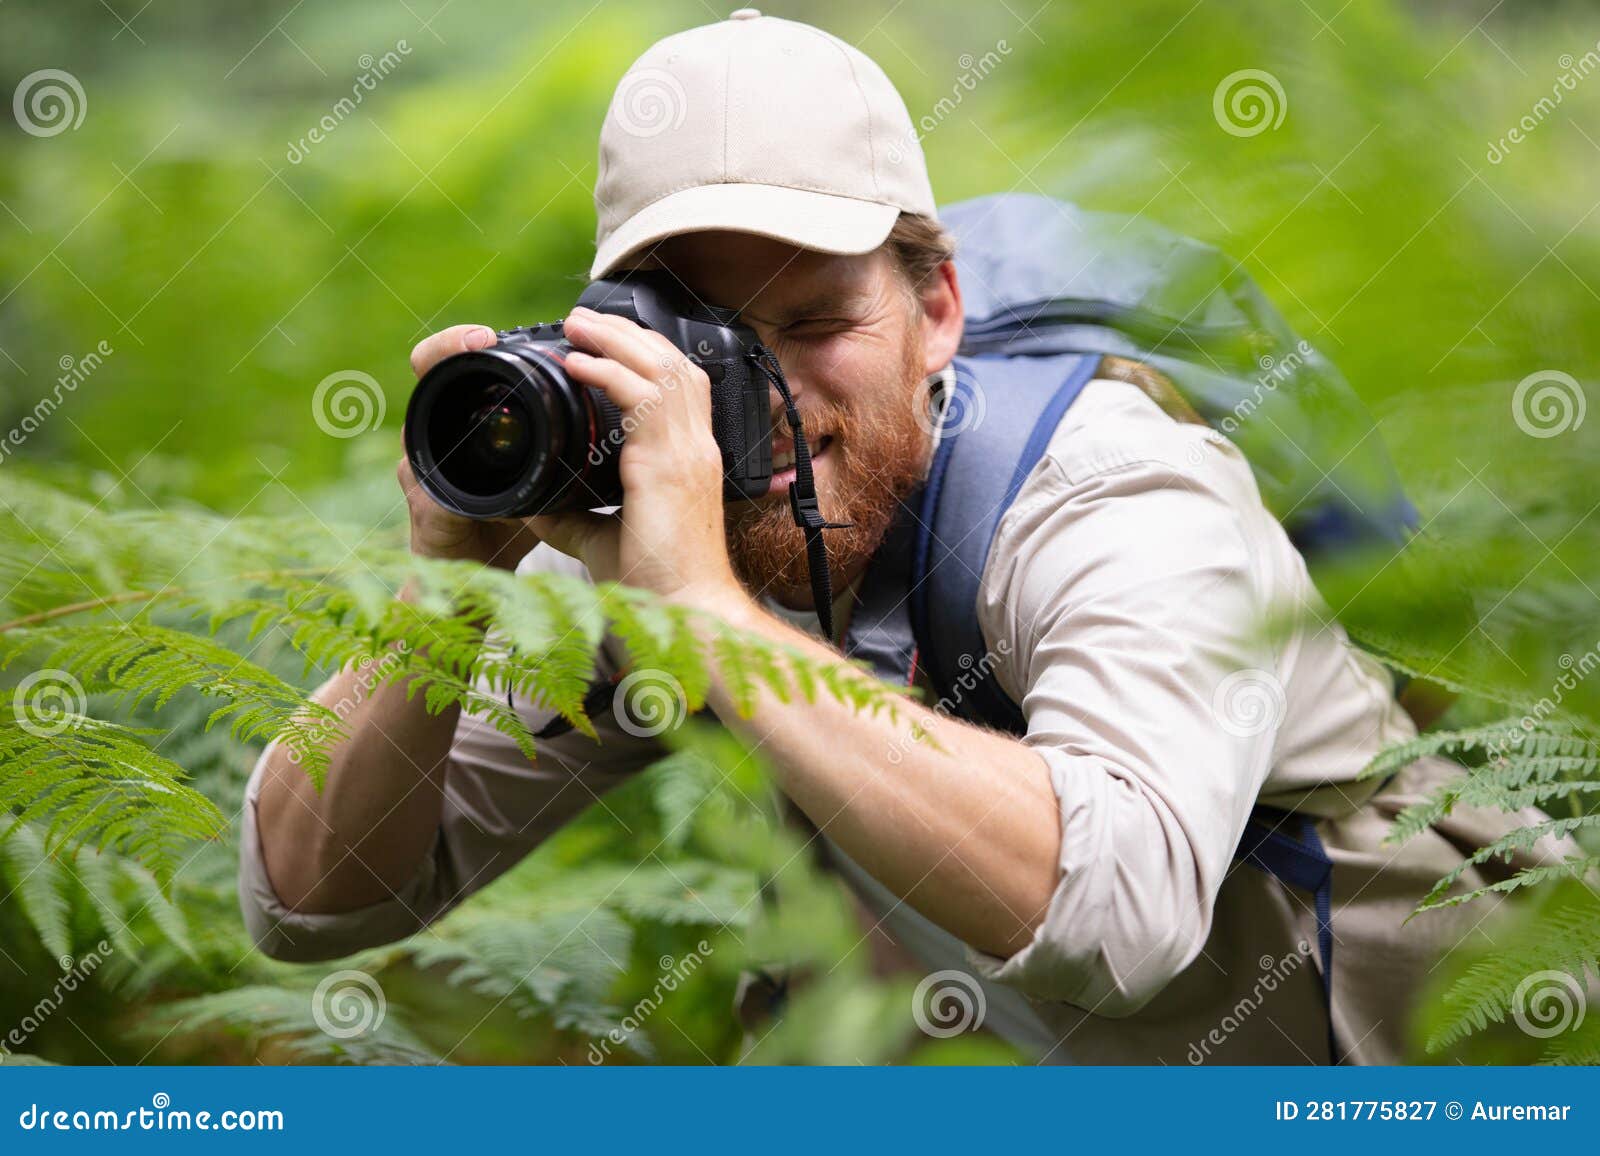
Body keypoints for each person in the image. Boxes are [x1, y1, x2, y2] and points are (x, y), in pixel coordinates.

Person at [241, 10, 1558, 1064]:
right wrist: (447, 596)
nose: (765, 397)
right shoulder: (665, 519)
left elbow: (1120, 919)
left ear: (938, 311)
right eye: (709, 342)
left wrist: (715, 623)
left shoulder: (1116, 498)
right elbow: (310, 901)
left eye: (818, 327)